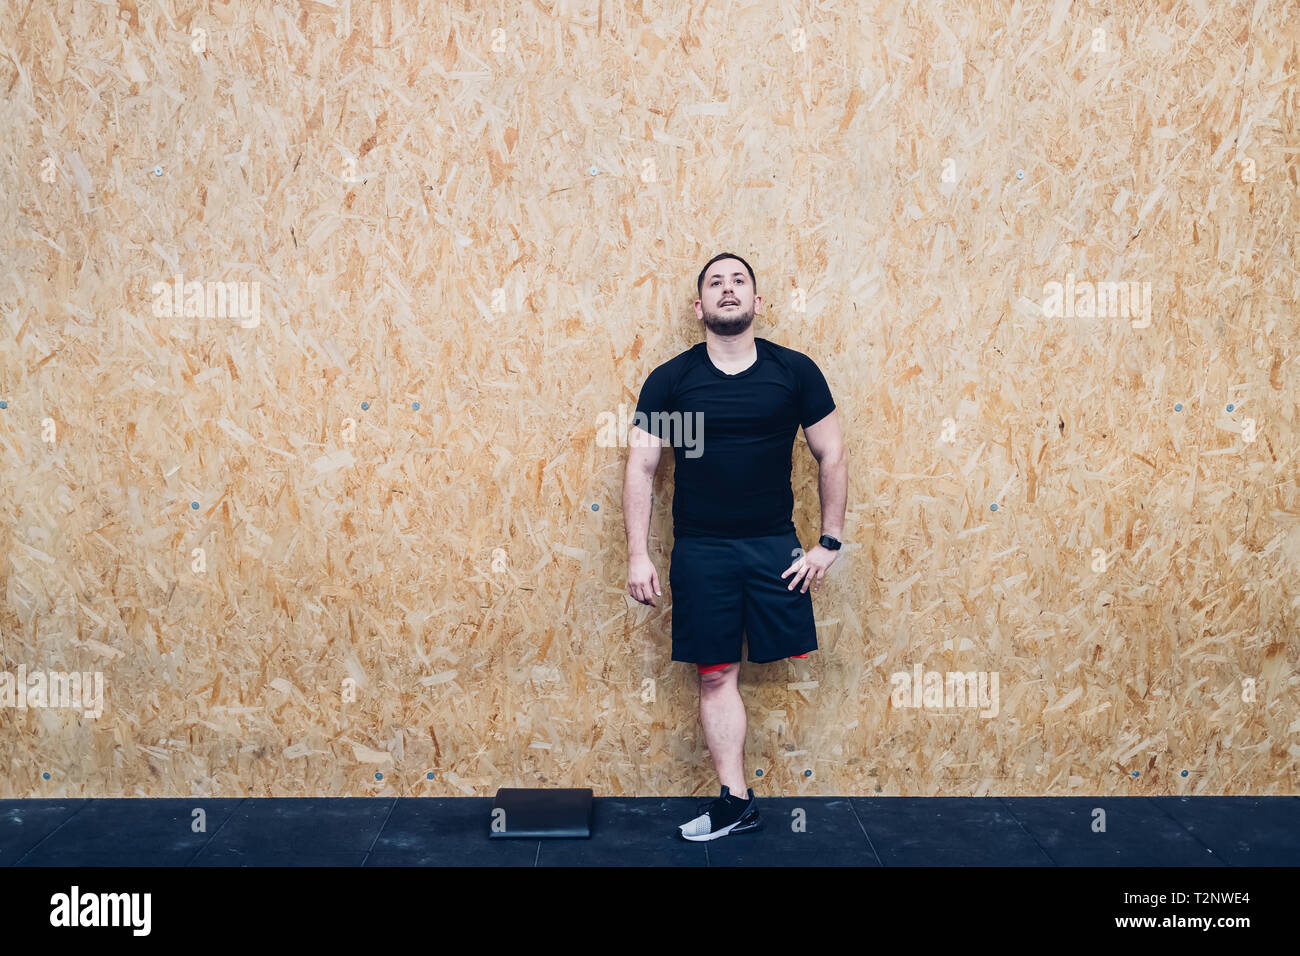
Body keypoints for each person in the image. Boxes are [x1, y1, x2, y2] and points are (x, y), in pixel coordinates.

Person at [623, 252, 847, 841]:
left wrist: (828, 542)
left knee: (786, 660)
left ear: (757, 301)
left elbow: (832, 453)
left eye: (739, 281)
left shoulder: (794, 372)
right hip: (701, 550)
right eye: (715, 284)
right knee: (716, 674)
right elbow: (642, 467)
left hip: (776, 548)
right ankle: (736, 802)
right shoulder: (671, 378)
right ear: (699, 307)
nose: (728, 290)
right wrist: (638, 554)